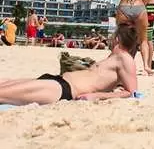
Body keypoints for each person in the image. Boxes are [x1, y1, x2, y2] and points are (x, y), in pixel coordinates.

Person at [0, 24, 138, 106]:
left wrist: (96, 96)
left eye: (112, 37)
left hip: (63, 89)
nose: (109, 39)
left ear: (117, 39)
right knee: (5, 83)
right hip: (56, 80)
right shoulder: (113, 57)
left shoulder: (125, 58)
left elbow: (132, 92)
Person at [114, 0, 152, 76]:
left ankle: (121, 64)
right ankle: (146, 66)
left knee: (121, 40)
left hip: (124, 8)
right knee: (143, 40)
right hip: (139, 7)